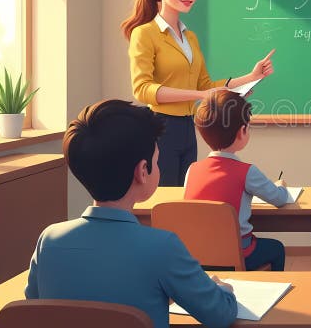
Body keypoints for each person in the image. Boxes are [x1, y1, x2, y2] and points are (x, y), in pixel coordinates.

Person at [25, 100, 238, 328]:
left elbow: (35, 304)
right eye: (157, 161)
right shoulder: (162, 247)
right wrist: (224, 290)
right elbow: (220, 315)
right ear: (142, 171)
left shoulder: (49, 240)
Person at [122, 0, 274, 186]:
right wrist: (200, 95)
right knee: (164, 202)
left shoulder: (189, 37)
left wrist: (250, 77)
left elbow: (206, 85)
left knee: (185, 200)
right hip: (160, 129)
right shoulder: (144, 34)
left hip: (188, 129)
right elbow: (142, 89)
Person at [184, 89, 289, 271]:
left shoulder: (192, 170)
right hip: (237, 255)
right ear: (242, 131)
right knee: (277, 248)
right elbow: (279, 199)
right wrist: (281, 186)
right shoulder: (247, 172)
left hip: (198, 257)